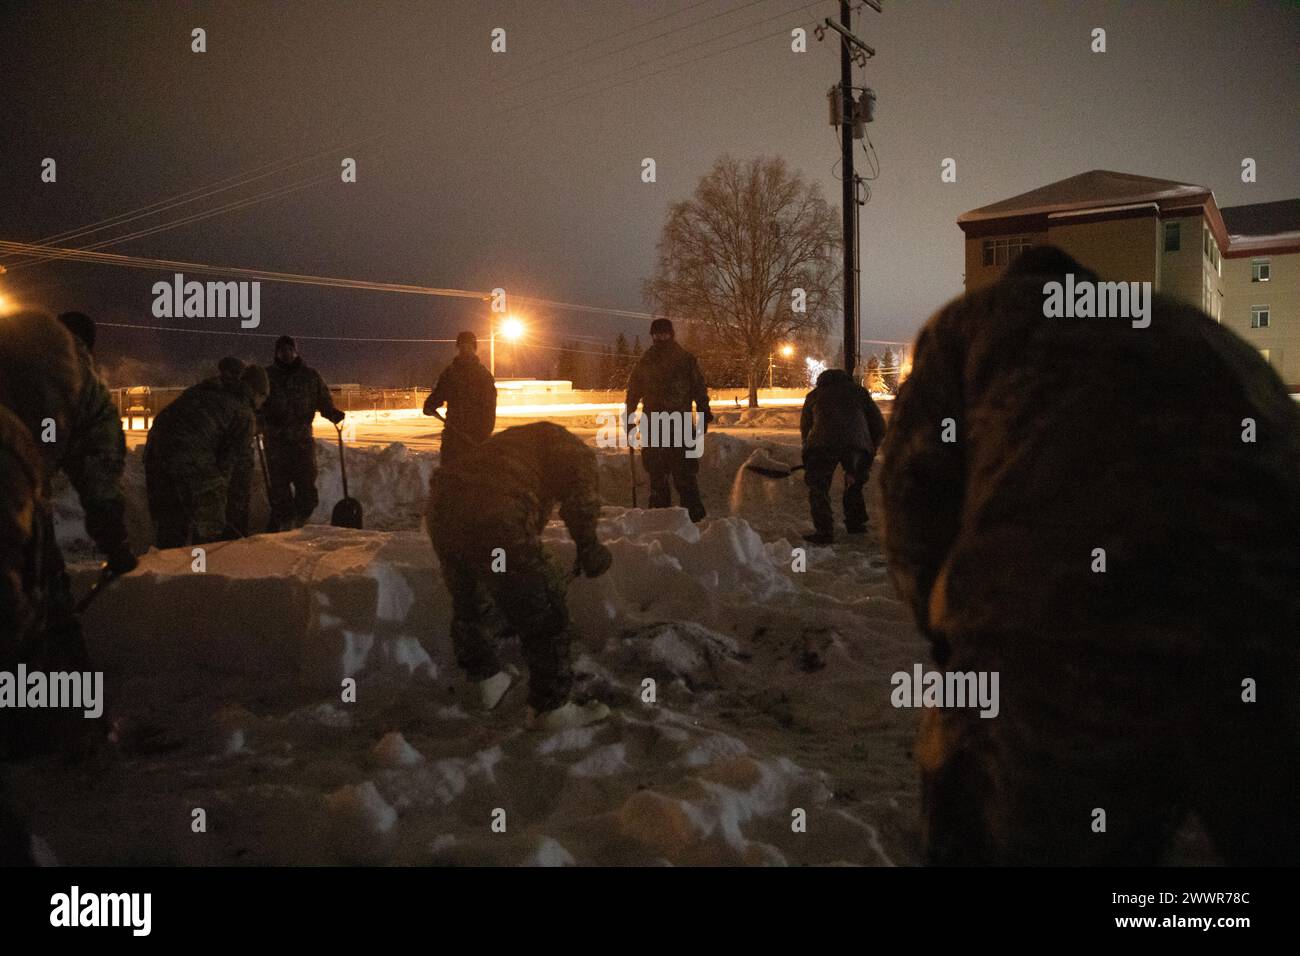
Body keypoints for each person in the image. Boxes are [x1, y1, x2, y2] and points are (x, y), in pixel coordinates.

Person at [879, 245, 1300, 865]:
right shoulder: (1189, 324)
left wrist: (950, 630)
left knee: (1008, 834)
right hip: (1270, 615)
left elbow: (915, 489)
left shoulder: (970, 325)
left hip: (1058, 631)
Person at [426, 422, 613, 730]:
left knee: (471, 599)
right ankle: (552, 708)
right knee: (546, 608)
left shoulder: (522, 443)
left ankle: (484, 680)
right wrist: (590, 550)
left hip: (443, 508)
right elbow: (581, 505)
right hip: (492, 513)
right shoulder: (578, 455)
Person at [144, 364, 269, 548]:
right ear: (257, 393)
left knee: (171, 520)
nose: (261, 405)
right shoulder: (243, 411)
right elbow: (231, 469)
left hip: (155, 452)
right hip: (190, 455)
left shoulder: (209, 390)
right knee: (207, 526)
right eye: (263, 399)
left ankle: (168, 568)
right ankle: (200, 570)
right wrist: (228, 510)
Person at [624, 318, 711, 521]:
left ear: (671, 334)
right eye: (656, 334)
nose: (660, 337)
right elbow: (633, 393)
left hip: (680, 425)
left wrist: (704, 412)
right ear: (652, 336)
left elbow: (698, 388)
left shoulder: (685, 360)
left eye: (664, 333)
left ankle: (695, 519)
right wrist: (629, 417)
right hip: (653, 426)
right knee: (657, 476)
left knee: (685, 477)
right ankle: (660, 519)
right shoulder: (645, 362)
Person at [260, 336, 345, 530]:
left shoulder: (310, 376)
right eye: (282, 350)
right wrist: (260, 420)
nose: (286, 353)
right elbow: (256, 403)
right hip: (276, 443)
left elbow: (323, 401)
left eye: (290, 349)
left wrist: (331, 412)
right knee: (279, 488)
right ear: (277, 353)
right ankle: (284, 523)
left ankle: (300, 522)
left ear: (296, 351)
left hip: (302, 442)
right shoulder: (266, 377)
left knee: (306, 486)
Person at [799, 367, 886, 544]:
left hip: (822, 445)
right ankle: (855, 523)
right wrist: (870, 448)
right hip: (856, 445)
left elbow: (805, 426)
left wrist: (807, 448)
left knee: (819, 487)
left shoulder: (815, 395)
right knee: (854, 483)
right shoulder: (859, 393)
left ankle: (824, 531)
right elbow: (879, 425)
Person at [423, 330, 496, 468]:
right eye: (462, 347)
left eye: (469, 347)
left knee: (473, 477)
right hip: (453, 436)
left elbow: (489, 408)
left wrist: (483, 435)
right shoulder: (450, 373)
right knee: (450, 475)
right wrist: (430, 404)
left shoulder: (483, 375)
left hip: (476, 437)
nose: (465, 350)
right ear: (458, 348)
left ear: (474, 349)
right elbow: (440, 394)